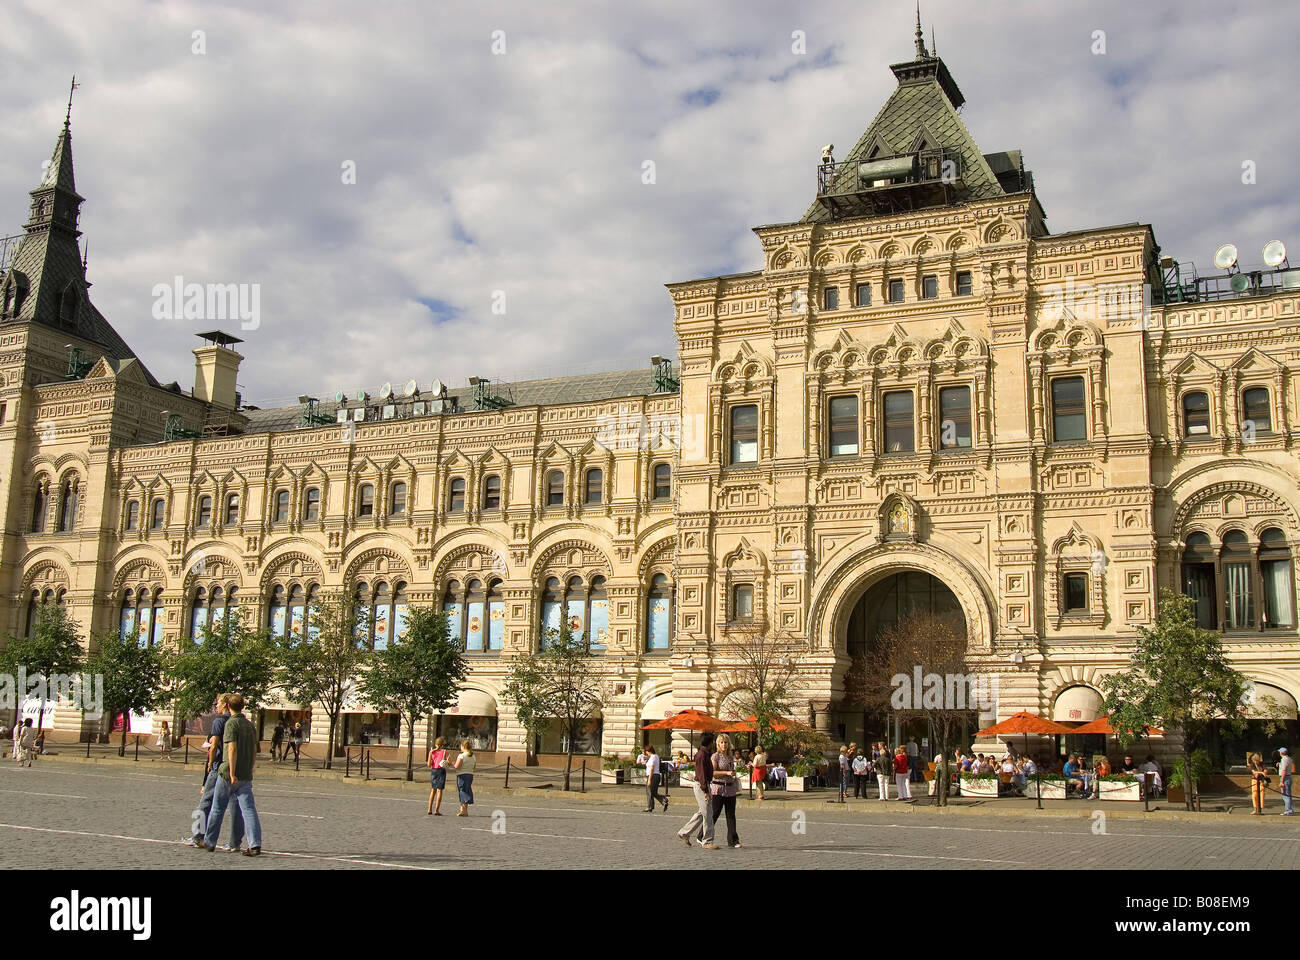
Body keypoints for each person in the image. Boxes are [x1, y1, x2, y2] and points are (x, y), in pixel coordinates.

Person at [200, 693, 262, 856]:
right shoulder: (250, 725)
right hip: (245, 774)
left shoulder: (231, 724)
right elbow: (254, 750)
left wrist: (232, 773)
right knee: (248, 810)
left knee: (217, 807)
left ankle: (210, 841)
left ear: (228, 706)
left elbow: (231, 749)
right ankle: (254, 844)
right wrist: (250, 768)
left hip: (228, 773)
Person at [185, 694, 232, 847]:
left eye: (218, 702)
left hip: (218, 765)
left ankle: (198, 836)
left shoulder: (219, 721)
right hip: (233, 766)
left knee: (205, 802)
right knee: (235, 805)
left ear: (225, 704)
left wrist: (210, 763)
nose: (216, 706)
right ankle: (234, 842)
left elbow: (214, 745)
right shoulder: (238, 721)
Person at [676, 731, 718, 849]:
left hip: (703, 785)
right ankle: (707, 841)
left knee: (702, 812)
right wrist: (705, 791)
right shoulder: (702, 755)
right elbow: (702, 774)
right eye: (713, 741)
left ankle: (684, 833)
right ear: (709, 742)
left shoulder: (705, 753)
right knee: (708, 814)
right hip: (701, 786)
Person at [708, 733, 741, 848]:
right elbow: (713, 773)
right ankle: (703, 835)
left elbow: (731, 770)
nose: (724, 745)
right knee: (715, 814)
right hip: (718, 788)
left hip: (730, 788)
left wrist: (732, 773)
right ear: (718, 744)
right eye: (722, 742)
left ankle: (733, 840)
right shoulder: (715, 756)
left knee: (731, 814)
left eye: (726, 742)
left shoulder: (730, 757)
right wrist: (726, 773)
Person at [453, 740, 476, 816]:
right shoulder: (473, 756)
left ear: (463, 746)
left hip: (462, 775)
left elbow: (457, 766)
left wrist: (450, 763)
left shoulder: (461, 756)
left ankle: (463, 810)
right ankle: (463, 810)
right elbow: (474, 767)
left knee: (462, 791)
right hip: (470, 775)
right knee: (466, 789)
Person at [427, 736, 449, 815]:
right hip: (441, 771)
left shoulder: (432, 752)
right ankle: (436, 810)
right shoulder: (444, 752)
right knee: (439, 791)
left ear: (435, 744)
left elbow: (429, 764)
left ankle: (429, 809)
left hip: (434, 770)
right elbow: (448, 762)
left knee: (433, 790)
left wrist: (431, 755)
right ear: (443, 744)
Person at [644, 744, 668, 812]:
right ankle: (663, 801)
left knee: (649, 792)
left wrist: (649, 780)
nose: (646, 753)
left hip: (653, 776)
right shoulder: (656, 756)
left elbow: (652, 768)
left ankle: (650, 806)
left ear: (648, 751)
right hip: (657, 775)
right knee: (654, 792)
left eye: (646, 751)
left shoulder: (652, 757)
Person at [1278, 747, 1294, 816]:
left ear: (1281, 753)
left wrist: (1281, 781)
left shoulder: (1284, 760)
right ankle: (1290, 809)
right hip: (1289, 777)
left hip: (1285, 778)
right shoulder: (1289, 759)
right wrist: (1280, 764)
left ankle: (1288, 810)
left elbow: (1284, 771)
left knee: (1285, 795)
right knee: (1288, 795)